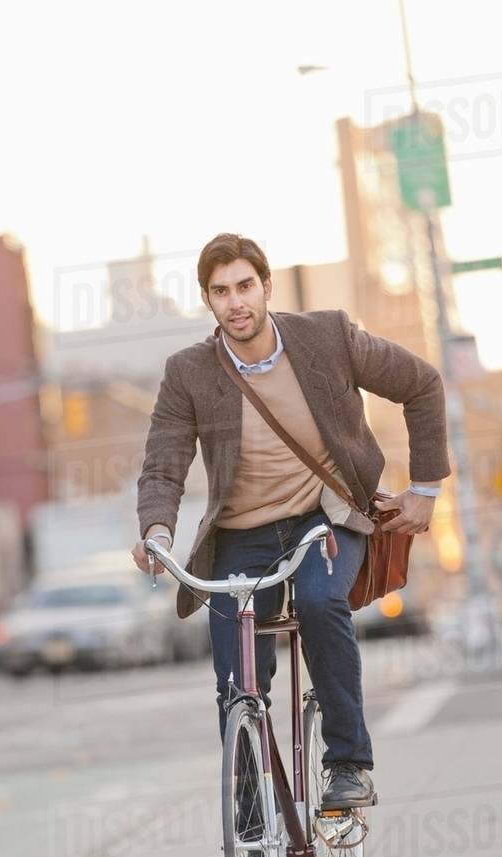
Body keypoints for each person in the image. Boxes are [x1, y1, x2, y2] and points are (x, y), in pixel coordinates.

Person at [132, 233, 450, 812]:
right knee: (238, 687)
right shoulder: (189, 374)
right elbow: (162, 465)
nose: (236, 302)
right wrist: (156, 530)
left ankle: (348, 764)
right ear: (208, 300)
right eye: (221, 291)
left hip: (323, 518)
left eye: (245, 286)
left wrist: (426, 490)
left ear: (267, 286)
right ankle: (254, 833)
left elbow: (422, 384)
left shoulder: (326, 337)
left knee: (322, 603)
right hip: (240, 538)